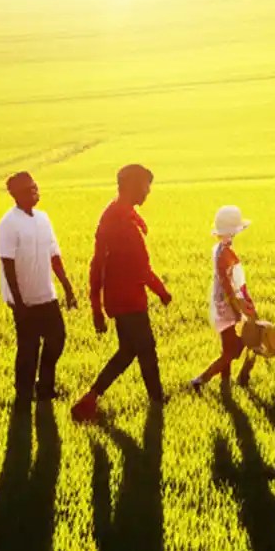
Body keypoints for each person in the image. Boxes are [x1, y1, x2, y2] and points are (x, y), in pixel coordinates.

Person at [71, 165, 171, 422]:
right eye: (145, 186)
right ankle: (157, 402)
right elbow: (137, 267)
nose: (148, 192)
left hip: (121, 298)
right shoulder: (119, 222)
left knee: (128, 351)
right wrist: (162, 292)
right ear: (132, 186)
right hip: (128, 300)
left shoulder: (117, 214)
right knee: (146, 348)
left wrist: (99, 305)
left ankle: (90, 399)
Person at [0, 172, 77, 404]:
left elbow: (54, 255)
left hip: (46, 295)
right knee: (28, 348)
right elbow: (8, 264)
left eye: (34, 187)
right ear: (15, 195)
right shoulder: (9, 223)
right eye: (28, 190)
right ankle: (23, 393)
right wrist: (19, 303)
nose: (34, 191)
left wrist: (68, 288)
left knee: (57, 339)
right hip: (24, 301)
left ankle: (45, 387)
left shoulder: (43, 218)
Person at [190, 206, 258, 392]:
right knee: (234, 350)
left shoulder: (219, 249)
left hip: (221, 304)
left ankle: (225, 382)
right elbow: (233, 285)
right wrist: (242, 306)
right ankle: (201, 379)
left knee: (227, 347)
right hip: (228, 306)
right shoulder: (227, 254)